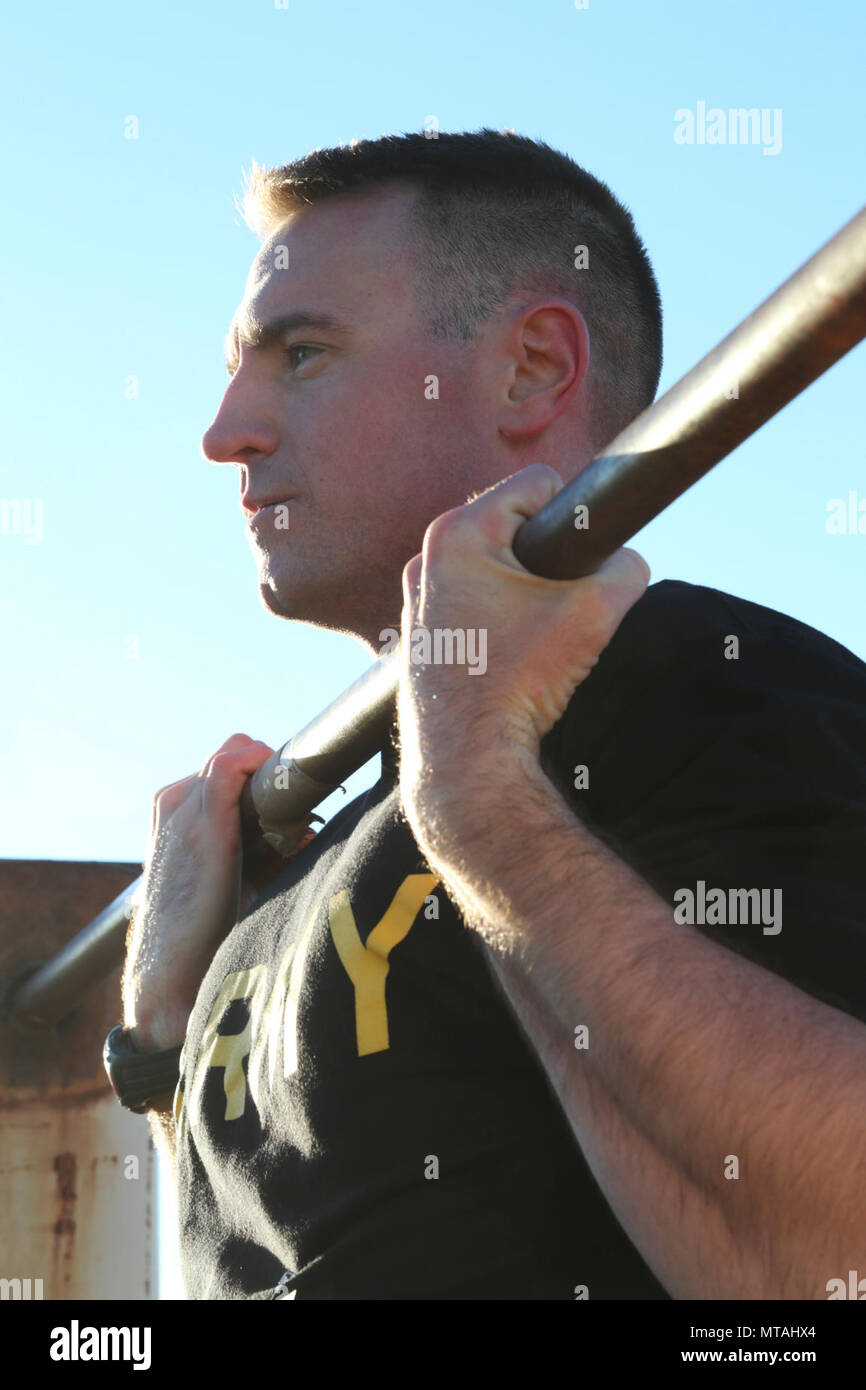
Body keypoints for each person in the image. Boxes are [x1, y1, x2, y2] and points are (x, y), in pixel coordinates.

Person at [117, 130, 866, 1300]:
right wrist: (160, 1048)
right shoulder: (297, 859)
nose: (226, 432)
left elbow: (833, 1265)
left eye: (300, 353)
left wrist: (475, 801)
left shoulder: (690, 686)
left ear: (528, 369)